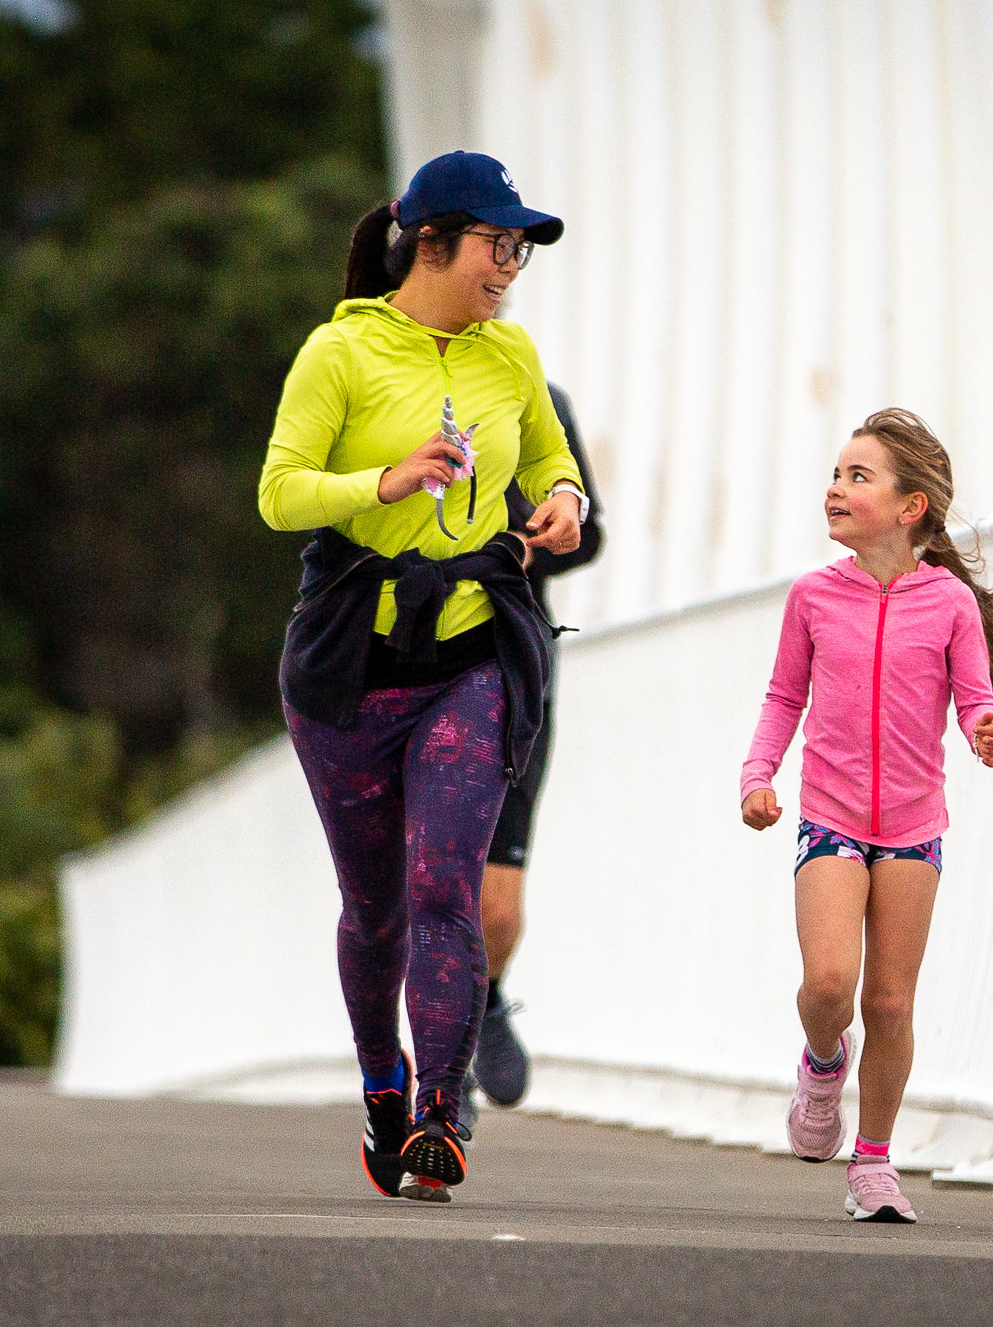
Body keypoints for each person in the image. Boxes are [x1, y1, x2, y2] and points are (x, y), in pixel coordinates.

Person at [258, 150, 586, 1203]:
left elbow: (546, 459)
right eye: (498, 247)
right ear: (433, 244)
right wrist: (381, 479)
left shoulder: (511, 356)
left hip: (473, 654)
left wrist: (565, 496)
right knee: (376, 910)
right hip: (352, 664)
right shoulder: (338, 353)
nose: (509, 268)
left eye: (519, 253)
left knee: (446, 884)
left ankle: (441, 1114)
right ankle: (382, 1088)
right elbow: (278, 494)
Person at [740, 409, 993, 1222]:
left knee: (889, 1002)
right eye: (837, 474)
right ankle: (822, 1065)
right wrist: (757, 774)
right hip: (829, 817)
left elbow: (973, 697)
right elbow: (786, 695)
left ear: (910, 505)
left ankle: (874, 1163)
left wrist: (985, 729)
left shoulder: (949, 602)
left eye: (858, 476)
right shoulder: (814, 596)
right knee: (828, 986)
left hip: (915, 827)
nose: (835, 488)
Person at [469, 381, 604, 1114]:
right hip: (412, 664)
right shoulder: (373, 384)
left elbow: (594, 533)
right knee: (426, 885)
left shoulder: (535, 398)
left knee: (493, 910)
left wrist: (518, 545)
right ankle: (442, 1063)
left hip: (514, 672)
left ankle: (483, 997)